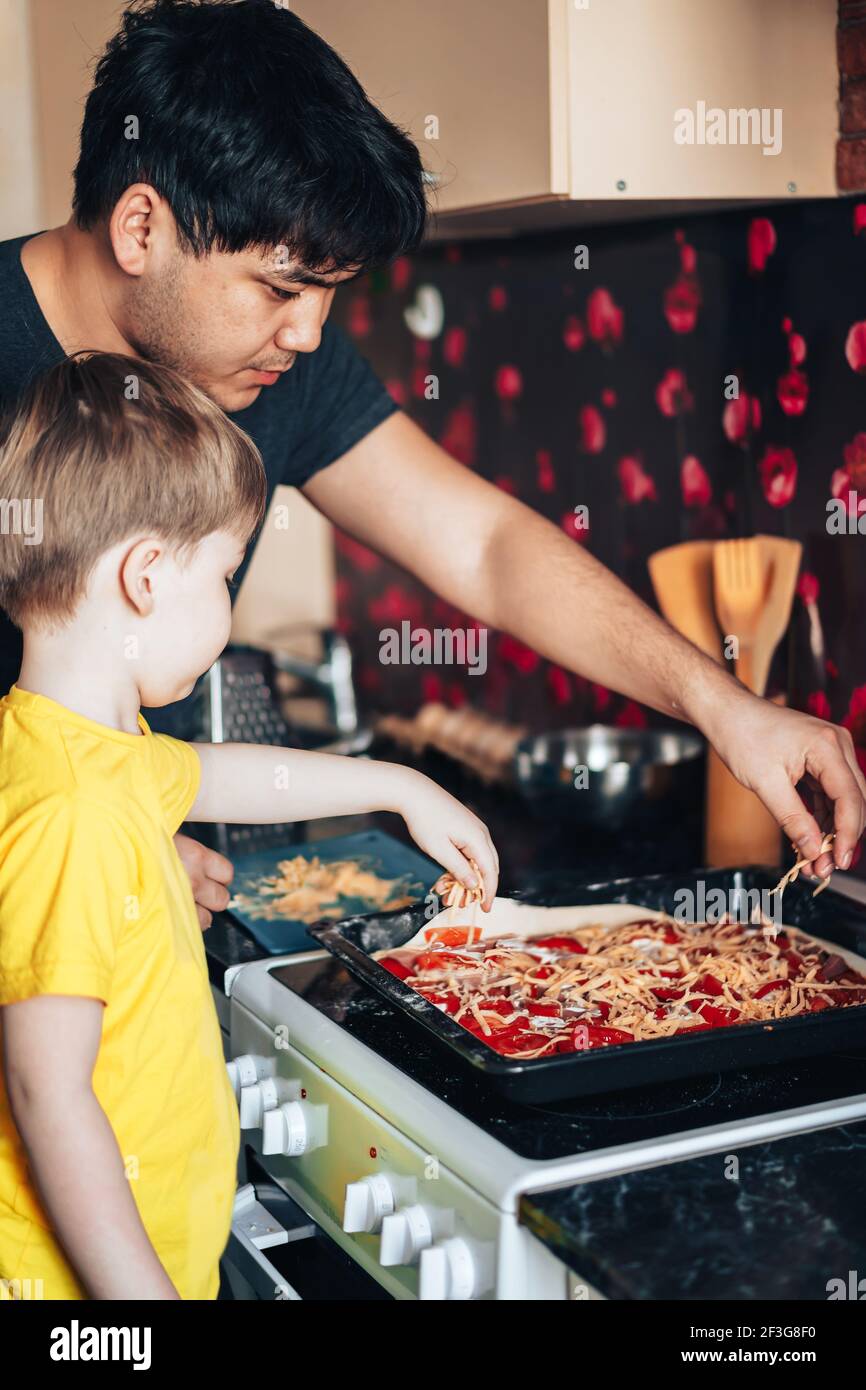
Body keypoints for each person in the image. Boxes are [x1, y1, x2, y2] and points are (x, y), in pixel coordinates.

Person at [0, 0, 861, 929]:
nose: (308, 333)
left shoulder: (271, 362)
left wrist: (724, 706)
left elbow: (484, 545)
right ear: (140, 229)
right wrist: (75, 850)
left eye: (328, 294)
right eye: (282, 288)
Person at [0, 353, 497, 1300]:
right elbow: (47, 1095)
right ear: (147, 577)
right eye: (225, 573)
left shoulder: (80, 746)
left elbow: (226, 775)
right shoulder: (74, 810)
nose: (230, 605)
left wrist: (400, 785)